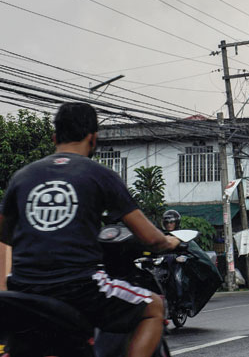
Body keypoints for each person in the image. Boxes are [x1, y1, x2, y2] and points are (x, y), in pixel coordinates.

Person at [0, 102, 180, 357]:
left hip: (24, 290)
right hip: (81, 290)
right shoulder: (100, 175)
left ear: (54, 137)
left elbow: (4, 234)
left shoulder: (22, 176)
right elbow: (151, 239)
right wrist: (170, 242)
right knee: (154, 307)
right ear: (93, 138)